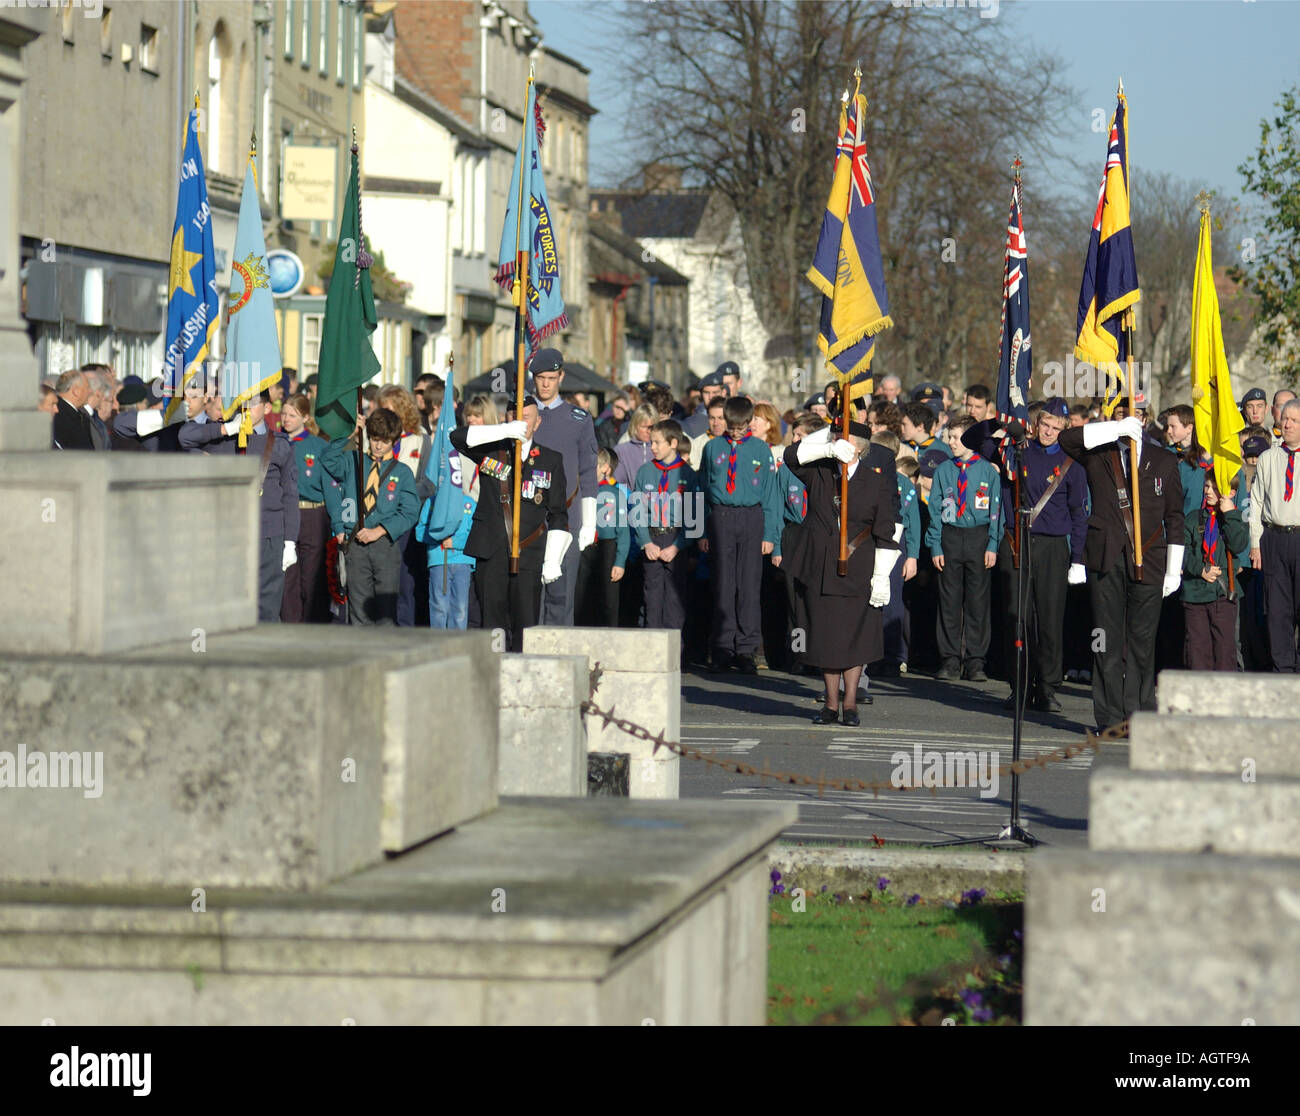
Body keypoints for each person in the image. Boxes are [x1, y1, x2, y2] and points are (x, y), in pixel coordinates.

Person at [1059, 415, 1185, 731]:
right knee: (1104, 639)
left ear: (1143, 420)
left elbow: (1175, 517)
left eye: (1132, 417)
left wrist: (1174, 569)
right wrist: (1113, 430)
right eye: (1120, 417)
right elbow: (1066, 439)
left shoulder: (1164, 460)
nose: (1129, 422)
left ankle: (1139, 713)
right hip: (1106, 558)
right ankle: (1109, 717)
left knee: (1142, 644)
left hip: (1151, 560)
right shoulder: (1100, 452)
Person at [782, 421, 899, 725]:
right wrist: (826, 443)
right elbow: (790, 456)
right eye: (836, 438)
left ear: (859, 446)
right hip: (820, 567)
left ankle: (851, 704)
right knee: (825, 638)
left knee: (854, 639)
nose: (838, 442)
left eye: (843, 438)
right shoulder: (820, 471)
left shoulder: (875, 482)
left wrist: (882, 574)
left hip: (858, 568)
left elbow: (887, 529)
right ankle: (830, 704)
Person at [449, 395, 571, 652]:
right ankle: (493, 674)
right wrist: (503, 431)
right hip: (492, 549)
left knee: (525, 624)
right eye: (515, 417)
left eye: (526, 418)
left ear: (537, 423)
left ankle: (520, 677)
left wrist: (553, 558)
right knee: (492, 624)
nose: (521, 423)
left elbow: (558, 513)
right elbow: (456, 438)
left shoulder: (551, 460)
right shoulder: (492, 450)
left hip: (529, 552)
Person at [698, 395, 782, 673]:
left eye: (740, 426)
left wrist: (769, 534)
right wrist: (701, 530)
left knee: (748, 586)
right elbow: (701, 490)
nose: (734, 431)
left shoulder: (760, 449)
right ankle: (722, 647)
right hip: (720, 516)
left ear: (749, 422)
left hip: (751, 517)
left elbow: (770, 494)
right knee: (723, 583)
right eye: (730, 425)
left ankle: (746, 648)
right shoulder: (712, 448)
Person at [321, 408, 420, 626]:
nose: (377, 445)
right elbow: (328, 460)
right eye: (374, 439)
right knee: (358, 610)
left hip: (385, 545)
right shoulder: (353, 461)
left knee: (385, 613)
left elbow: (410, 511)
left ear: (393, 441)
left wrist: (380, 530)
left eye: (384, 441)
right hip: (355, 544)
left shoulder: (401, 472)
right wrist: (348, 433)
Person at [207, 391, 301, 622]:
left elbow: (290, 495)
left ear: (268, 409)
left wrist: (290, 541)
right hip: (233, 533)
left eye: (254, 403)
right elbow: (186, 439)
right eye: (242, 403)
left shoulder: (280, 445)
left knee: (267, 607)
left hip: (269, 534)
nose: (246, 409)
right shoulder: (224, 440)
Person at [927, 415, 1002, 681]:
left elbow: (996, 511)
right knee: (949, 601)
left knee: (978, 602)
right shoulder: (945, 470)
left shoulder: (987, 470)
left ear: (970, 439)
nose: (950, 442)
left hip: (978, 536)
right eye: (949, 436)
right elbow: (935, 509)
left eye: (956, 437)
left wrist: (993, 542)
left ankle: (976, 661)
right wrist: (935, 545)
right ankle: (949, 659)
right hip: (950, 536)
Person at [530, 348, 599, 627]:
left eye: (551, 377)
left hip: (568, 517)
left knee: (561, 596)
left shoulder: (578, 419)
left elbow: (588, 471)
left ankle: (559, 660)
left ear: (561, 377)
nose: (545, 384)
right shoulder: (522, 417)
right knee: (531, 596)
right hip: (530, 517)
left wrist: (589, 522)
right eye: (540, 378)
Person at [630, 419, 701, 634]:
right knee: (651, 598)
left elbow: (695, 519)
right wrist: (645, 542)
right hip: (652, 539)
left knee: (674, 599)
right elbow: (637, 510)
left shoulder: (688, 474)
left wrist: (678, 546)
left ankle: (673, 653)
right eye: (651, 442)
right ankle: (652, 652)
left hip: (675, 541)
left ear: (673, 443)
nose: (652, 447)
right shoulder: (645, 471)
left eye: (657, 443)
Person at [1248, 398, 1300, 671]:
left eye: (1294, 420)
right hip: (1274, 540)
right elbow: (1256, 503)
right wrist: (1255, 543)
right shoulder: (1269, 457)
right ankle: (1283, 672)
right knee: (1278, 611)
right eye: (1285, 419)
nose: (1287, 424)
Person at [377, 384, 434, 627]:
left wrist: (405, 494)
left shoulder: (419, 439)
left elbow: (428, 483)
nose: (384, 415)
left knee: (406, 583)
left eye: (389, 409)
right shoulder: (378, 442)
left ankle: (407, 632)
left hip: (409, 521)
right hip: (381, 519)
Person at [1182, 471, 1248, 671]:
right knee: (1197, 651)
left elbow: (1238, 545)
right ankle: (1201, 699)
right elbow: (1183, 552)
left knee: (1225, 651)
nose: (1208, 491)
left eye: (1214, 487)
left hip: (1223, 594)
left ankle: (1224, 699)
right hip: (1195, 593)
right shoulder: (1194, 518)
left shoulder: (1234, 519)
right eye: (1206, 486)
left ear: (1230, 492)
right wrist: (1200, 569)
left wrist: (1229, 514)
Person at [280, 393, 335, 624]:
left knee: (312, 575)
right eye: (283, 413)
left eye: (292, 415)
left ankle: (314, 622)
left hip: (312, 513)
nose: (286, 419)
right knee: (287, 572)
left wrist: (337, 524)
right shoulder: (276, 442)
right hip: (285, 513)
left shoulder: (318, 446)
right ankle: (291, 623)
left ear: (305, 417)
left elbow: (330, 486)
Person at [415, 427, 477, 630]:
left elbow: (474, 534)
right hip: (438, 561)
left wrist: (456, 542)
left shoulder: (469, 503)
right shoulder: (432, 504)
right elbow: (419, 531)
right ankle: (439, 647)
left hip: (462, 562)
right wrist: (437, 536)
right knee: (439, 607)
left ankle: (458, 648)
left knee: (460, 609)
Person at [575, 448, 629, 627]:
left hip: (608, 550)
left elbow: (623, 531)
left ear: (605, 468)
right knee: (582, 599)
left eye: (593, 466)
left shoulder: (614, 494)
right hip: (585, 549)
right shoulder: (580, 492)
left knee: (608, 601)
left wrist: (620, 562)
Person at [613, 403, 657, 488]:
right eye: (644, 427)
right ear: (635, 425)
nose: (648, 431)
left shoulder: (662, 449)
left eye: (651, 427)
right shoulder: (621, 451)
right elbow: (619, 483)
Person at [52, 369, 95, 450]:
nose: (91, 392)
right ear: (76, 391)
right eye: (88, 387)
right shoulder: (60, 415)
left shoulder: (75, 414)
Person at [681, 370, 726, 439]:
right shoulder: (689, 424)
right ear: (701, 395)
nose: (711, 397)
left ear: (723, 393)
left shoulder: (735, 418)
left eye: (715, 392)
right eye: (706, 393)